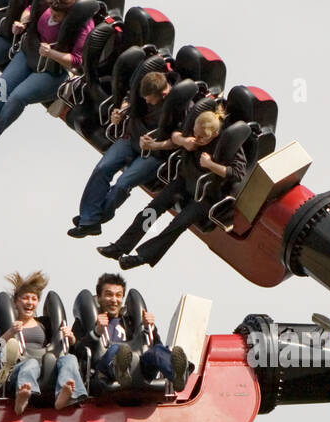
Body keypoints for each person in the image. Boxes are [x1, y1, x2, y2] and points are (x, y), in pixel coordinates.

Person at [101, 109, 246, 269]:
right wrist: (184, 141)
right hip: (185, 179)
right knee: (152, 210)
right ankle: (121, 247)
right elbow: (175, 134)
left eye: (202, 138)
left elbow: (238, 174)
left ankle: (142, 257)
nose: (197, 139)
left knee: (177, 224)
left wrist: (211, 165)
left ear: (215, 133)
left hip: (205, 194)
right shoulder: (194, 127)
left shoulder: (228, 142)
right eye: (195, 134)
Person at [0, 0, 93, 144]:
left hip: (53, 71)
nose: (53, 17)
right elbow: (30, 10)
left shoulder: (82, 25)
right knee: (2, 86)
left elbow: (76, 60)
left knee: (17, 97)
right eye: (52, 12)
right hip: (30, 53)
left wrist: (52, 53)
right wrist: (22, 22)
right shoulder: (49, 3)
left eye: (57, 16)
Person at [68, 71, 175, 238]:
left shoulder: (177, 105)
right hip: (131, 137)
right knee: (102, 168)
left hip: (154, 153)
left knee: (122, 183)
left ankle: (94, 218)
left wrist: (156, 145)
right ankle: (90, 220)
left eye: (150, 98)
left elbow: (179, 140)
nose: (146, 101)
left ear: (163, 94)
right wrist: (121, 111)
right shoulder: (145, 86)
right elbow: (128, 98)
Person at [0, 270, 86, 414]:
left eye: (33, 299)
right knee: (31, 363)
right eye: (25, 298)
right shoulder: (11, 324)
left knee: (70, 358)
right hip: (20, 367)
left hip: (45, 366)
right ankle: (23, 396)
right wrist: (11, 332)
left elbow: (63, 346)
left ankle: (65, 395)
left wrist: (70, 337)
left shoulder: (44, 323)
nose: (29, 302)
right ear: (16, 301)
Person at [87, 273, 190, 389]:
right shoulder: (91, 320)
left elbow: (154, 345)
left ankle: (177, 374)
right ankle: (120, 369)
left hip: (137, 365)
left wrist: (149, 328)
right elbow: (79, 350)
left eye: (118, 295)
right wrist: (96, 331)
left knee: (157, 351)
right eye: (109, 295)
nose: (114, 300)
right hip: (106, 368)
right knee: (117, 349)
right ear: (99, 297)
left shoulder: (130, 321)